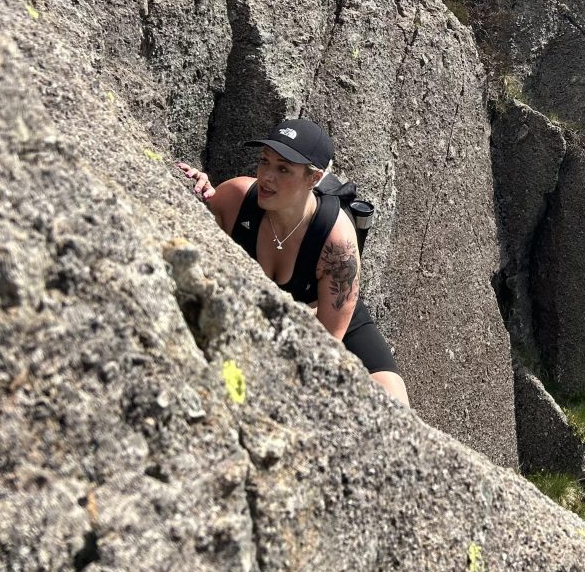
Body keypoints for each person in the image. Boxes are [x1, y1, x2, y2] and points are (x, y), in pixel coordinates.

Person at [175, 118, 409, 407]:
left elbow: (324, 347)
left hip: (331, 321)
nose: (267, 176)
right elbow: (192, 221)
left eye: (283, 168)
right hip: (271, 318)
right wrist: (194, 194)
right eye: (264, 162)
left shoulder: (336, 243)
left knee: (394, 402)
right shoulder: (236, 198)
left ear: (313, 178)